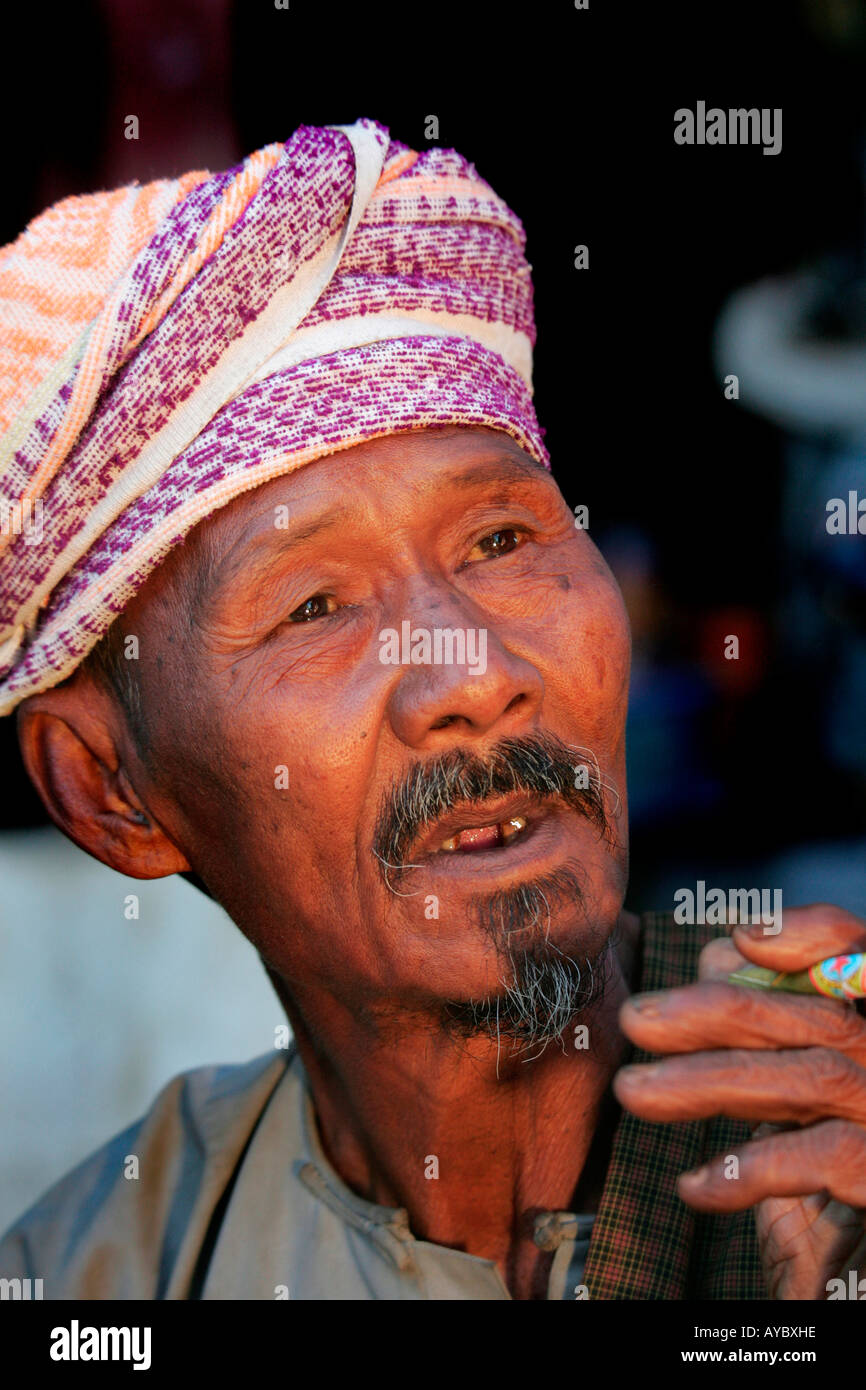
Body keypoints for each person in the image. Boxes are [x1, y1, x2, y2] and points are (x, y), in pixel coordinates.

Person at [1, 117, 864, 1302]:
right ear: (109, 791)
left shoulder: (841, 1108)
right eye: (311, 607)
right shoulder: (99, 1279)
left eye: (503, 538)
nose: (470, 672)